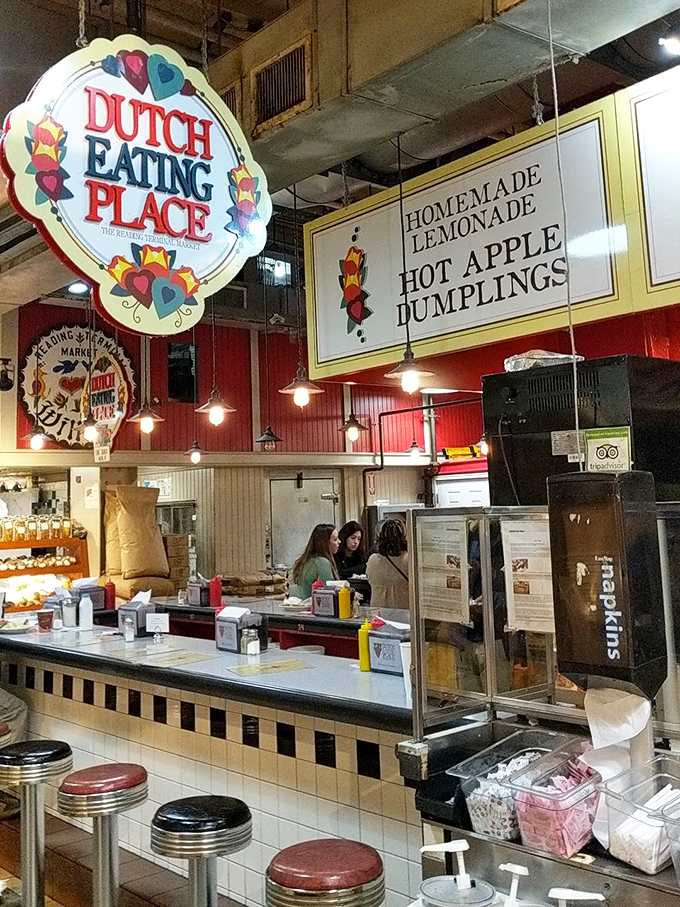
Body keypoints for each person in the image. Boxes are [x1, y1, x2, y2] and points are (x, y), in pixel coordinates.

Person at [288, 524, 340, 600]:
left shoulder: (308, 559)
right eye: (335, 539)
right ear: (325, 543)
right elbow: (330, 590)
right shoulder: (322, 562)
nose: (339, 542)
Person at [366, 519, 409, 609]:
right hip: (404, 614)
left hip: (378, 615)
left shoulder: (373, 560)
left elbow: (369, 579)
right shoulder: (409, 560)